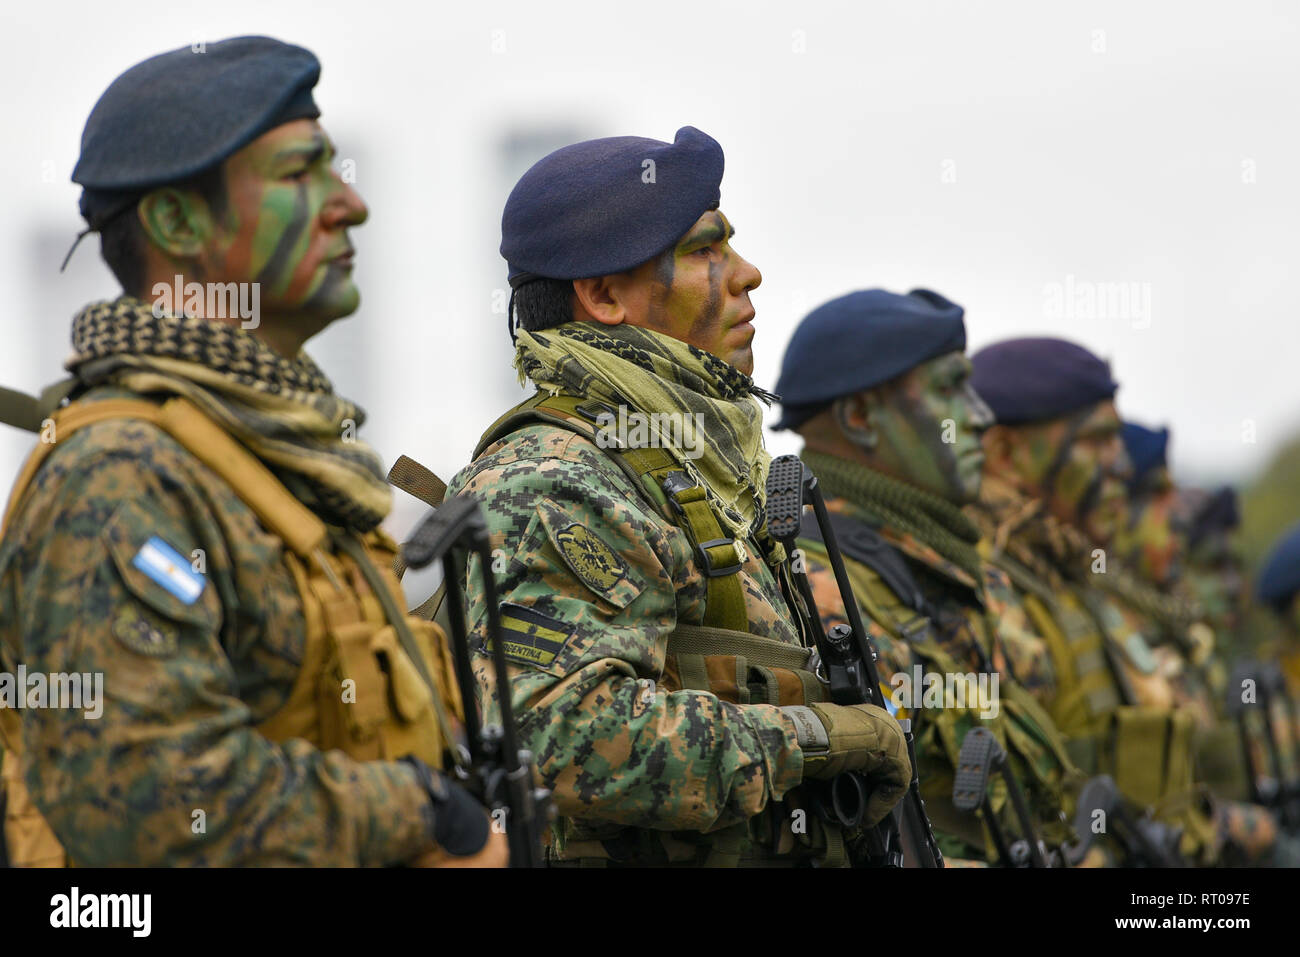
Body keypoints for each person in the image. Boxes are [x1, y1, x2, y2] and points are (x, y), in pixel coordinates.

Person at [0, 36, 504, 867]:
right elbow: (155, 801)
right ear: (176, 221)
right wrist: (428, 813)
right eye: (299, 174)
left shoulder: (286, 462)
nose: (350, 206)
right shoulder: (122, 471)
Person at [444, 127, 910, 867]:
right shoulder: (555, 480)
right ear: (601, 295)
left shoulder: (683, 473)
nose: (747, 273)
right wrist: (820, 739)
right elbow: (560, 736)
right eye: (704, 251)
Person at [773, 288, 1089, 866]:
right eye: (950, 388)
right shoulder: (814, 582)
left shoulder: (953, 562)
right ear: (862, 418)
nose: (981, 416)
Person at [968, 337, 1219, 864]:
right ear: (1006, 453)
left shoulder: (1069, 582)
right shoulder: (984, 590)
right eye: (1098, 441)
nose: (1122, 466)